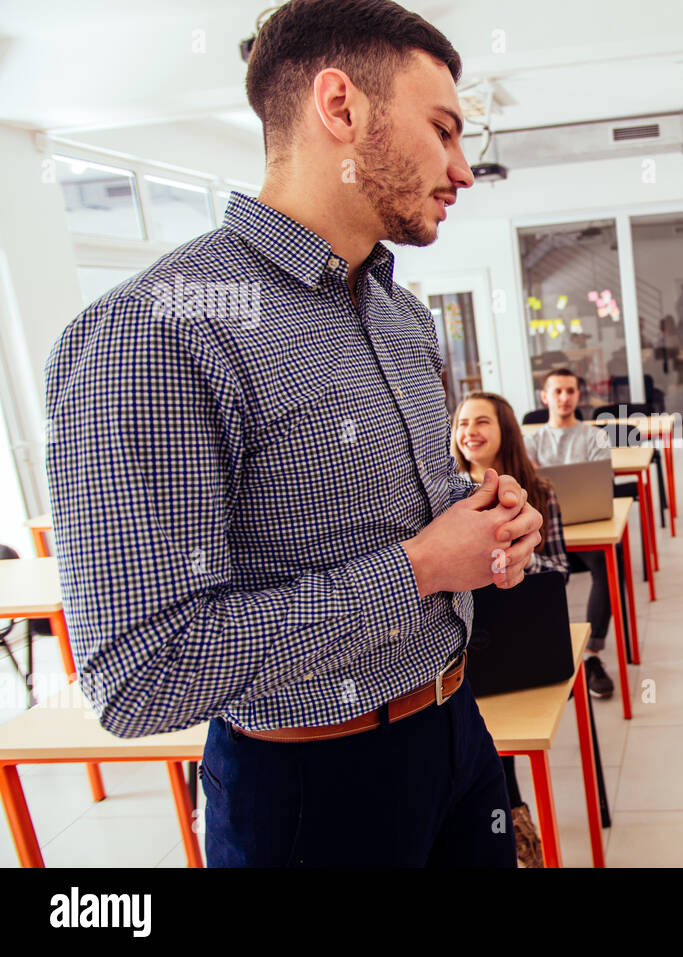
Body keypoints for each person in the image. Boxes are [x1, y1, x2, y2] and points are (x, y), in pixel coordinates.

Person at [44, 0, 545, 867]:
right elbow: (139, 674)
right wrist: (422, 568)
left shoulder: (402, 316)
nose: (464, 169)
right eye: (444, 130)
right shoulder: (157, 330)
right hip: (312, 790)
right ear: (341, 107)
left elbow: (397, 516)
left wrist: (488, 519)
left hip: (458, 729)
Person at [453, 391, 566, 867]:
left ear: (505, 432)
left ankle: (511, 819)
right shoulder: (443, 497)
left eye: (482, 421)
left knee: (500, 730)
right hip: (459, 636)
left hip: (516, 635)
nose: (469, 431)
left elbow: (559, 569)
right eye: (461, 423)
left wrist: (514, 558)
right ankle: (511, 819)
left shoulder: (537, 493)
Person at [523, 368, 617, 700]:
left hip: (587, 526)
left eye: (571, 391)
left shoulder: (595, 437)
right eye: (557, 391)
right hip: (545, 529)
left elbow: (602, 484)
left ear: (579, 395)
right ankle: (554, 657)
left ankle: (591, 656)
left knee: (607, 566)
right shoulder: (529, 441)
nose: (564, 398)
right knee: (531, 577)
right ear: (544, 397)